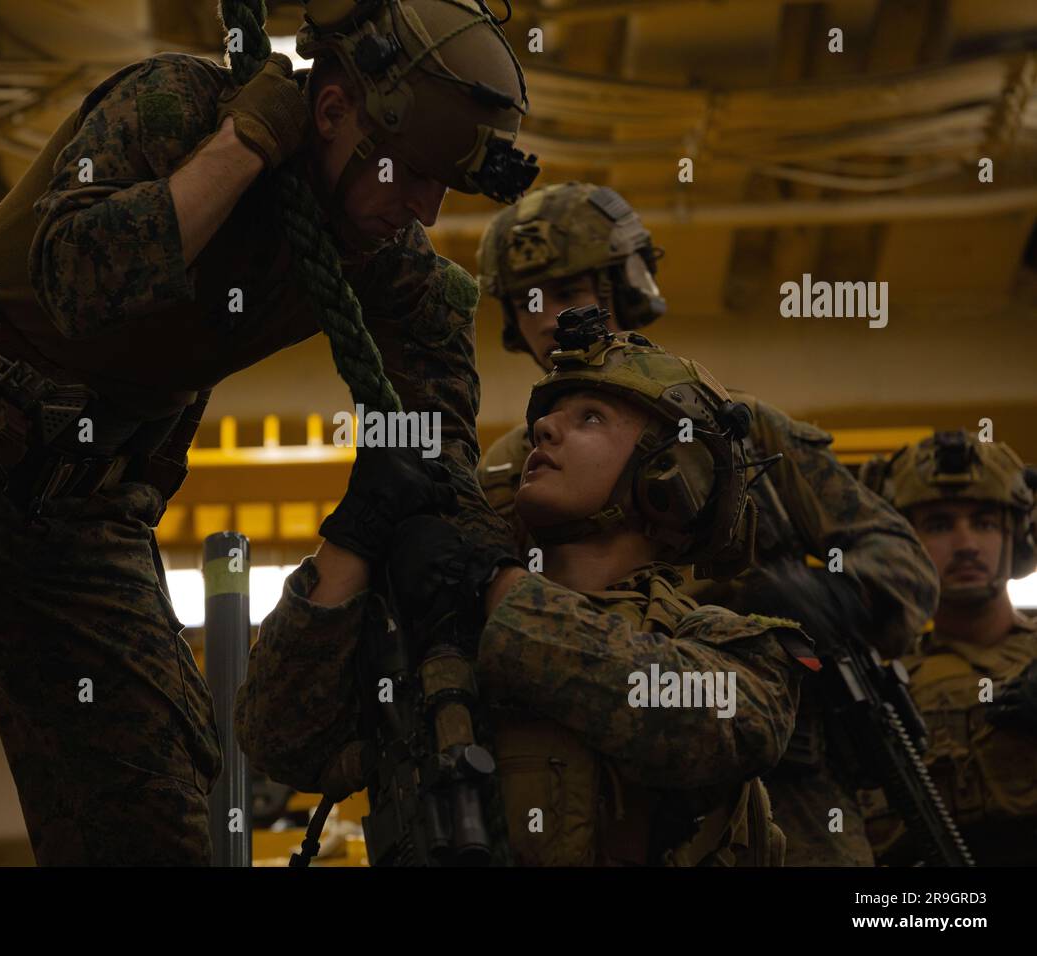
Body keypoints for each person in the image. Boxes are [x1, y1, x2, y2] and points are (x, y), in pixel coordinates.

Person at [0, 0, 535, 865]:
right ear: (334, 110)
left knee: (151, 810)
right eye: (408, 174)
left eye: (439, 187)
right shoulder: (178, 107)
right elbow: (78, 282)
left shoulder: (381, 253)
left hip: (85, 510)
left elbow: (441, 424)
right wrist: (238, 153)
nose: (422, 210)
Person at [473, 181, 939, 865]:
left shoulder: (734, 432)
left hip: (782, 763)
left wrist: (829, 595)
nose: (550, 317)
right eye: (528, 300)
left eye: (570, 291)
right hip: (598, 765)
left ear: (619, 290)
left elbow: (900, 559)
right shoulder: (520, 469)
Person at [236, 322, 817, 866]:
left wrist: (492, 582)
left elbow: (729, 727)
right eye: (550, 414)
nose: (544, 428)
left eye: (590, 417)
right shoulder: (439, 635)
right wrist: (353, 538)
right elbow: (278, 741)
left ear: (674, 474)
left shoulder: (726, 647)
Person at [860, 431, 1037, 865]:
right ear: (905, 544)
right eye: (939, 524)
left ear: (1015, 535)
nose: (967, 545)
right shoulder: (875, 679)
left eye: (985, 523)